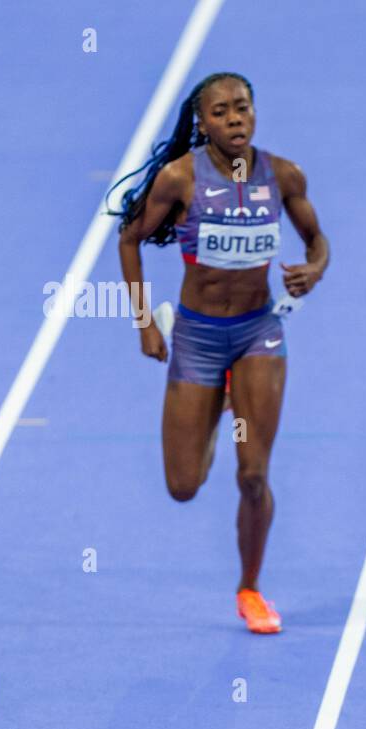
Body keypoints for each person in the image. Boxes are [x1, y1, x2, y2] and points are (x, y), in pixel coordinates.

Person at [113, 72, 330, 633]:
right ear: (201, 122)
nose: (235, 119)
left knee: (253, 475)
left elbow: (317, 240)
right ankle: (216, 407)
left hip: (259, 334)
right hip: (198, 337)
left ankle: (251, 588)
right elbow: (130, 238)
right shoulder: (179, 179)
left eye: (243, 108)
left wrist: (314, 270)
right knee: (183, 487)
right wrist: (143, 323)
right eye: (222, 111)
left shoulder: (283, 176)